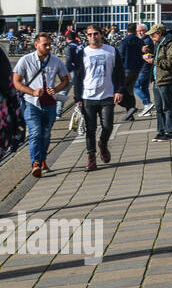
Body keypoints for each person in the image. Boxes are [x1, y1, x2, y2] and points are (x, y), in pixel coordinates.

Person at [11, 33, 70, 178]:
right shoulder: (26, 60)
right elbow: (16, 82)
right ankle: (35, 163)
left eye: (50, 44)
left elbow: (65, 80)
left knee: (46, 134)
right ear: (36, 45)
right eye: (45, 44)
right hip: (31, 102)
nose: (49, 47)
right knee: (35, 132)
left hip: (50, 103)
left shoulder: (56, 60)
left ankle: (43, 159)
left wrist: (55, 89)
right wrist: (32, 91)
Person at [73, 25, 125, 172]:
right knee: (90, 129)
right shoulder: (82, 53)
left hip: (107, 94)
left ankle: (103, 143)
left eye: (96, 34)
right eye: (89, 35)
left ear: (101, 34)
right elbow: (77, 77)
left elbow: (120, 72)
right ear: (86, 36)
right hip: (88, 96)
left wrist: (119, 90)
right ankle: (91, 159)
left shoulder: (111, 51)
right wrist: (77, 98)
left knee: (108, 125)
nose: (93, 37)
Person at [146, 24, 172, 141]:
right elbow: (160, 58)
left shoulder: (171, 44)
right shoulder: (159, 44)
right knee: (158, 107)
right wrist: (150, 54)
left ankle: (169, 132)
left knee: (167, 107)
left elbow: (171, 63)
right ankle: (160, 131)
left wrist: (153, 61)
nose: (151, 37)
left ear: (159, 33)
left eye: (152, 34)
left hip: (166, 79)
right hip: (157, 79)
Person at [117, 22, 145, 121]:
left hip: (126, 69)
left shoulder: (124, 41)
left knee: (120, 91)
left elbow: (121, 56)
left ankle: (130, 108)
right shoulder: (140, 41)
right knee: (129, 91)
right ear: (135, 30)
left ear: (127, 30)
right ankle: (130, 113)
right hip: (136, 70)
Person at [128, 23, 155, 118]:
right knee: (144, 87)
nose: (140, 32)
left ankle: (147, 103)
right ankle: (147, 109)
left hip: (143, 68)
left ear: (146, 31)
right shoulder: (143, 40)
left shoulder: (146, 41)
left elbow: (146, 55)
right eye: (139, 31)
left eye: (142, 30)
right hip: (145, 68)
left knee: (135, 86)